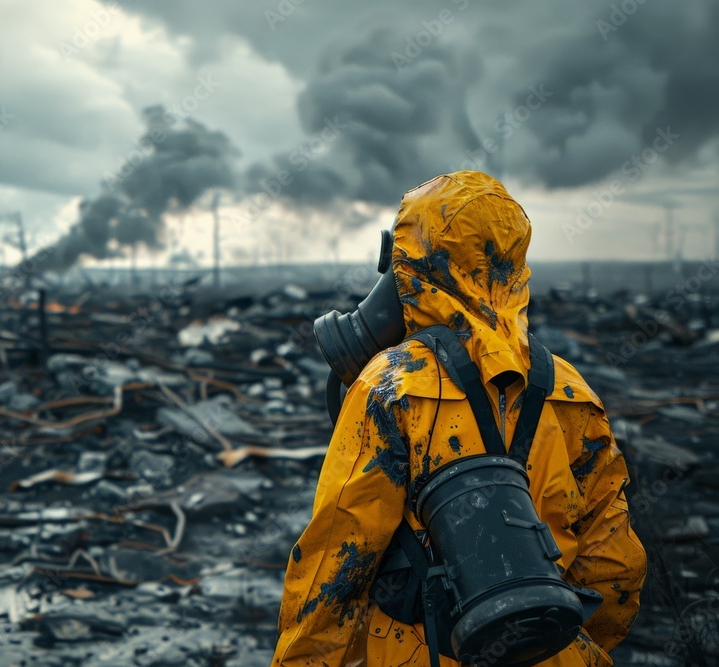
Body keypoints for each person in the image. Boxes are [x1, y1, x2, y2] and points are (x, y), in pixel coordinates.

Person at [270, 171, 647, 666]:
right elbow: (615, 565)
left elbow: (334, 566)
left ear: (409, 261)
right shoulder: (570, 389)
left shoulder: (390, 386)